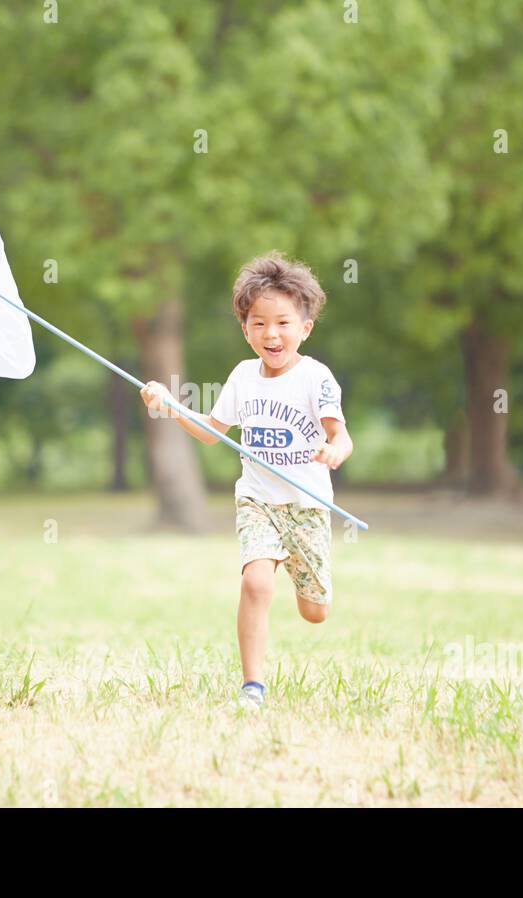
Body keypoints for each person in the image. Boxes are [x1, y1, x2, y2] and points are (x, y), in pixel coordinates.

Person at [139, 251, 353, 711]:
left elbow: (340, 433)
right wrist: (170, 405)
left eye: (282, 323)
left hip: (308, 506)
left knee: (315, 612)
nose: (271, 334)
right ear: (245, 330)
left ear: (305, 328)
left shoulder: (316, 378)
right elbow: (212, 434)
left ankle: (312, 588)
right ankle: (252, 687)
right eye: (258, 324)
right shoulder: (242, 377)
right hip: (258, 502)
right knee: (256, 583)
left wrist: (335, 450)